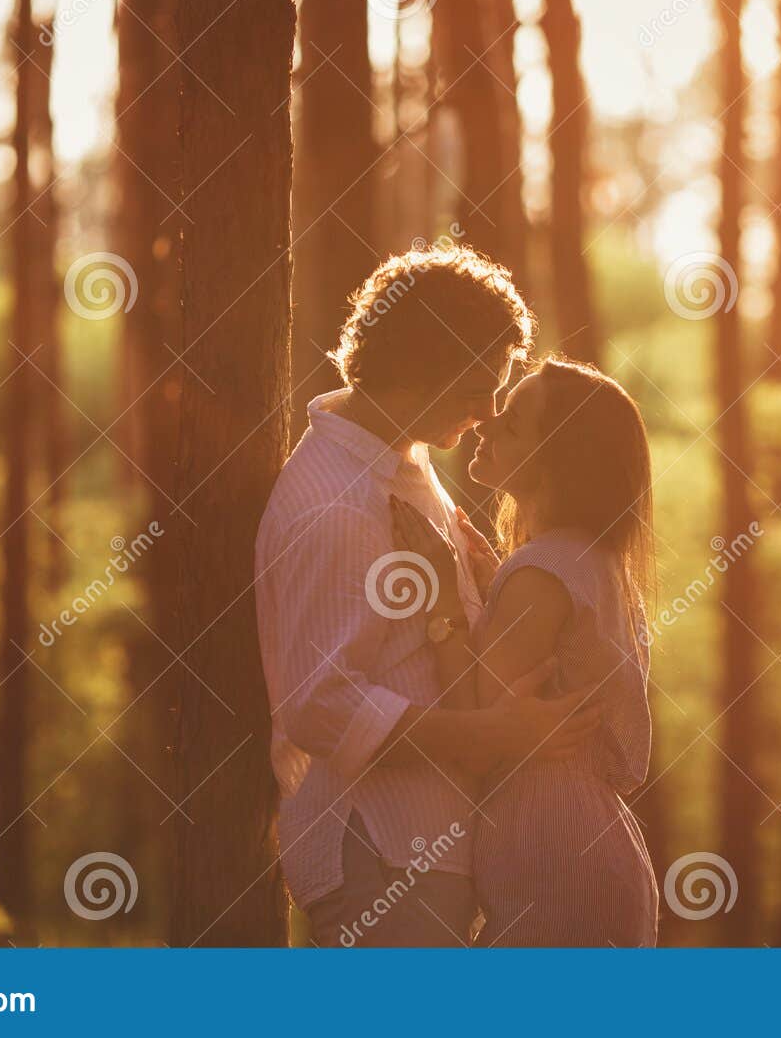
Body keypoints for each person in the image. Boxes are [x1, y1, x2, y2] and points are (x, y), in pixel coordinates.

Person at [255, 246, 599, 947]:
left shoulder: (401, 463)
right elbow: (319, 704)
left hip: (425, 844)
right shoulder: (338, 504)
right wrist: (493, 734)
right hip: (382, 848)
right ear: (424, 363)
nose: (490, 410)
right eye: (480, 385)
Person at [392, 355, 659, 946]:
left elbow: (476, 735)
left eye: (511, 423)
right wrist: (496, 596)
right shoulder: (589, 561)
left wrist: (440, 599)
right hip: (583, 844)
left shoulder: (542, 572)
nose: (485, 423)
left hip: (552, 854)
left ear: (557, 462)